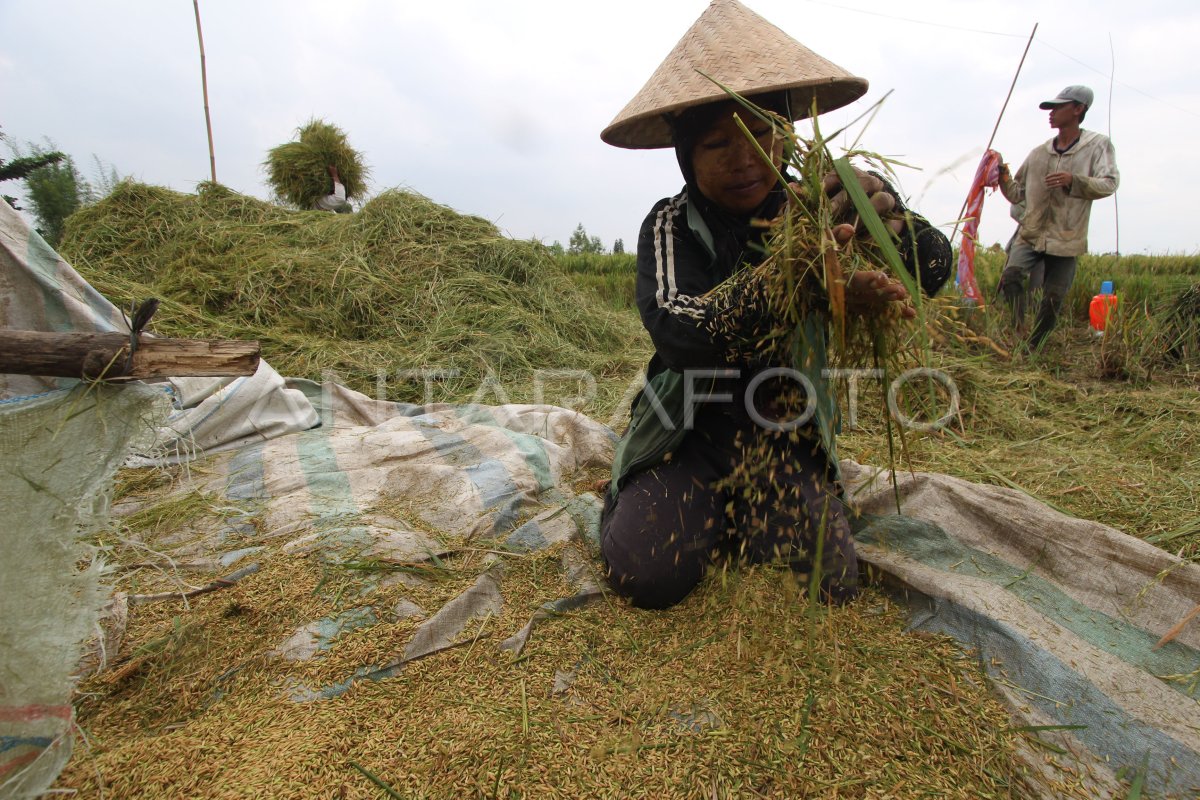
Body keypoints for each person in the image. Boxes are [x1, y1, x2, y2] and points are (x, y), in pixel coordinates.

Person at [597, 0, 951, 610]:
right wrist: (801, 281)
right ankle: (633, 491)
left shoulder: (822, 204)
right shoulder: (671, 225)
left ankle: (751, 511)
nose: (745, 159)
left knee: (829, 585)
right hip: (691, 432)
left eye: (760, 134)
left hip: (784, 430)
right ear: (687, 155)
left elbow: (934, 269)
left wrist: (888, 215)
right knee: (647, 574)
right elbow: (681, 331)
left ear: (784, 134)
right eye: (716, 144)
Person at [997, 85, 1119, 348]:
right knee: (1011, 277)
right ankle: (1018, 331)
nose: (1051, 113)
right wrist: (1002, 176)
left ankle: (1035, 346)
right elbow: (1018, 193)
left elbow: (1109, 183)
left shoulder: (1096, 146)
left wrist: (1074, 181)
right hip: (1031, 234)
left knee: (1053, 298)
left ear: (1078, 110)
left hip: (1066, 237)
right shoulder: (1039, 153)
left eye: (1058, 107)